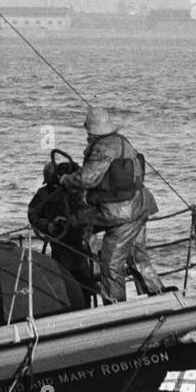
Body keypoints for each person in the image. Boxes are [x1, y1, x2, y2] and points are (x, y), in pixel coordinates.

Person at [60, 107, 164, 303]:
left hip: (121, 213)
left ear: (90, 131)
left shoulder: (102, 148)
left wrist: (66, 179)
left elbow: (88, 178)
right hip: (141, 205)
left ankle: (115, 306)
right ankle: (157, 294)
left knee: (111, 264)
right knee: (137, 256)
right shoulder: (122, 142)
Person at [28, 160, 94, 292]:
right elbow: (33, 214)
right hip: (59, 242)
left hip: (79, 242)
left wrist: (83, 227)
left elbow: (91, 211)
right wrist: (48, 226)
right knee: (64, 280)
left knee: (84, 281)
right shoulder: (44, 194)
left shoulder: (78, 192)